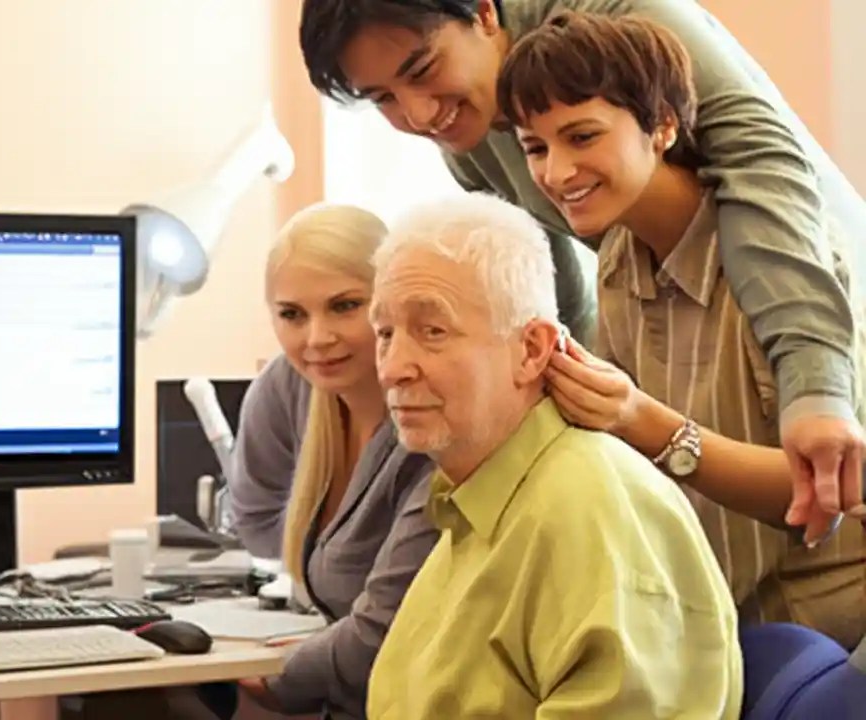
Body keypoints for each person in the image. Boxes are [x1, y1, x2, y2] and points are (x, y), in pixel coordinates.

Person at [298, 0, 866, 538]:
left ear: (485, 12)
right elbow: (546, 292)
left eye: (422, 70)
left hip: (803, 295)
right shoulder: (610, 263)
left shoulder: (614, 22)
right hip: (673, 317)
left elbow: (762, 156)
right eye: (383, 99)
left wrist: (814, 390)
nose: (418, 115)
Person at [497, 10, 866, 649]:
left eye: (582, 137)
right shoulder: (617, 259)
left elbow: (823, 493)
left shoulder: (779, 268)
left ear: (663, 127)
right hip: (703, 626)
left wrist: (647, 424)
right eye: (536, 147)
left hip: (821, 639)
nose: (556, 173)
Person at [364, 193, 742, 719]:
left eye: (433, 331)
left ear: (532, 350)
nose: (393, 368)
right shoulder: (477, 498)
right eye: (385, 334)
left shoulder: (587, 504)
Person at [226, 204, 437, 719]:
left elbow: (386, 634)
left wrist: (294, 672)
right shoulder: (288, 383)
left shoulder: (434, 417)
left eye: (344, 306)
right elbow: (253, 519)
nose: (316, 339)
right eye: (292, 315)